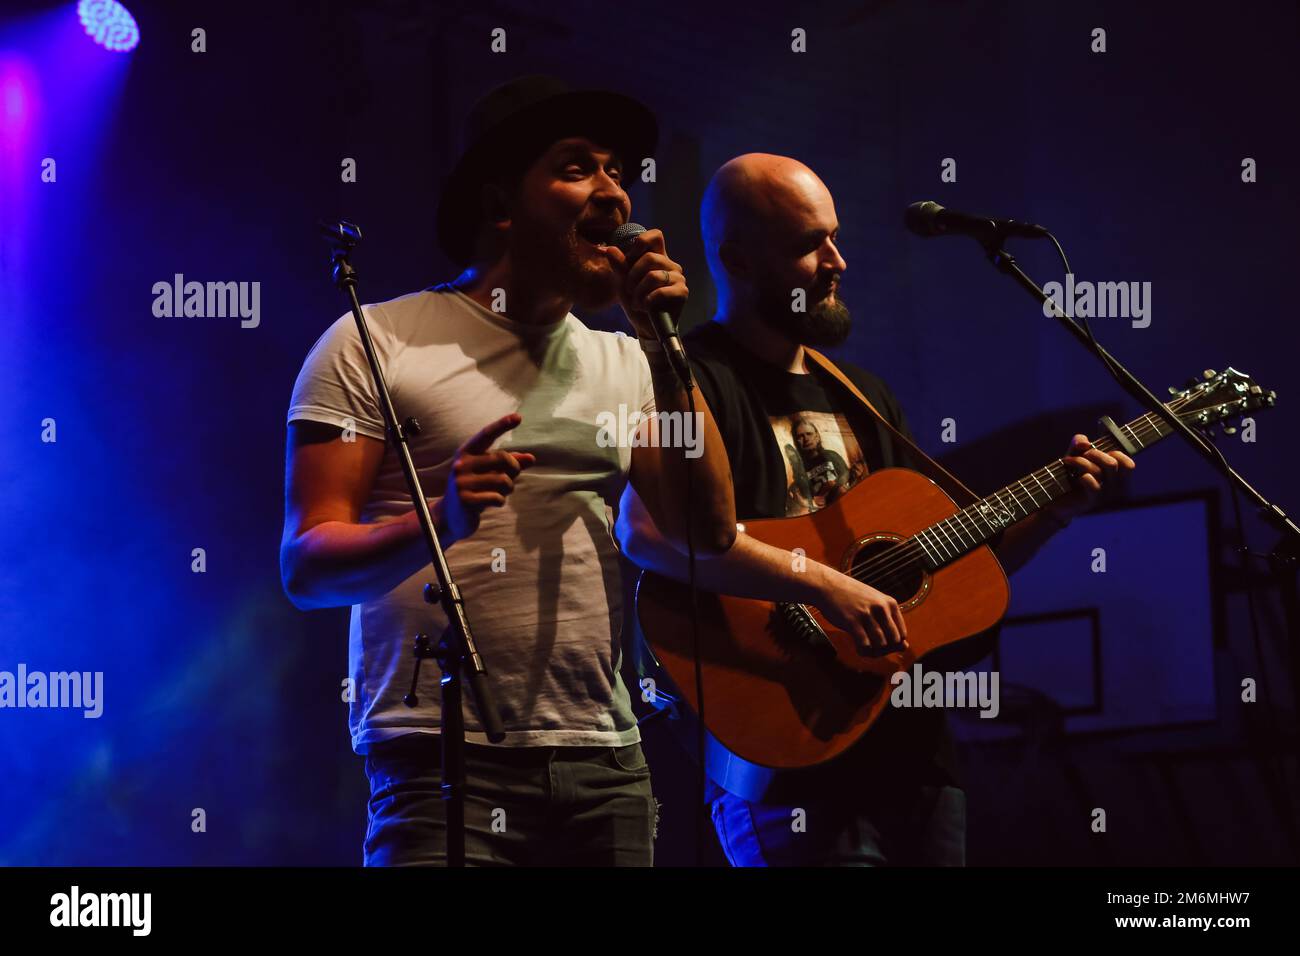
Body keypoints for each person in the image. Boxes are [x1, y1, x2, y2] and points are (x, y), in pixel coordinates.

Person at [615, 153, 1133, 866]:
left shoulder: (864, 394)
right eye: (808, 245)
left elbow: (945, 573)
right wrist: (824, 583)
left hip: (913, 759)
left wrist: (1055, 512)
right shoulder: (687, 377)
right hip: (789, 757)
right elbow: (647, 534)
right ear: (737, 259)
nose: (838, 261)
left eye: (834, 235)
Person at [279, 75, 736, 866]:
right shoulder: (377, 343)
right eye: (577, 168)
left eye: (620, 173)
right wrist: (437, 518)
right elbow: (307, 568)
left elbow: (708, 532)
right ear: (500, 203)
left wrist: (666, 345)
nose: (615, 197)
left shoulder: (630, 360)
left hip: (607, 760)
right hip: (438, 757)